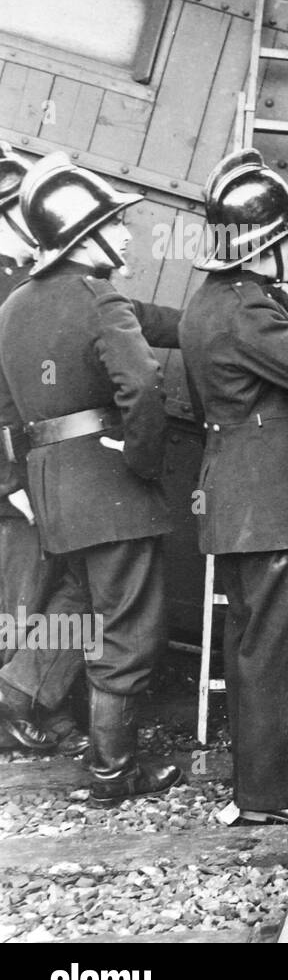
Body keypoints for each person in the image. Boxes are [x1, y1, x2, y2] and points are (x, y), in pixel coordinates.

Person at [0, 153, 181, 803]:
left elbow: (7, 406)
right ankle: (112, 775)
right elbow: (143, 385)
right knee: (127, 632)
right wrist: (140, 466)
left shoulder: (17, 304)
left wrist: (27, 477)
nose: (128, 235)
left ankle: (19, 691)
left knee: (82, 608)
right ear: (86, 238)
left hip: (54, 495)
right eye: (114, 224)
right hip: (110, 491)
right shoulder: (97, 297)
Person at [179, 149, 288, 824]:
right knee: (283, 652)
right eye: (287, 240)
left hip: (242, 504)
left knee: (258, 647)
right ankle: (275, 795)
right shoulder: (251, 310)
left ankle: (263, 787)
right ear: (270, 246)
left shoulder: (208, 304)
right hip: (274, 509)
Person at [0, 145, 90, 756]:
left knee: (46, 588)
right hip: (12, 474)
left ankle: (24, 696)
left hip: (34, 467)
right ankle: (16, 704)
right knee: (22, 593)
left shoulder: (23, 280)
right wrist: (8, 482)